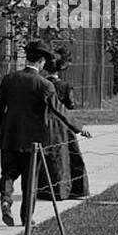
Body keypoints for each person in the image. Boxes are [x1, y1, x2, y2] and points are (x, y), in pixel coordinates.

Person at [0, 41, 91, 227]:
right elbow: (60, 109)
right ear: (42, 61)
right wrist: (79, 127)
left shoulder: (9, 79)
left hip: (9, 136)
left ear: (28, 58)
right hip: (34, 141)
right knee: (31, 180)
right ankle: (27, 217)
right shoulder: (44, 85)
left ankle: (6, 200)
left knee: (8, 173)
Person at [41, 46, 90, 200]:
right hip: (63, 124)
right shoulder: (65, 86)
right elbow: (70, 105)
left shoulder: (41, 84)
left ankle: (45, 189)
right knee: (68, 157)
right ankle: (72, 189)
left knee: (47, 157)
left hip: (45, 123)